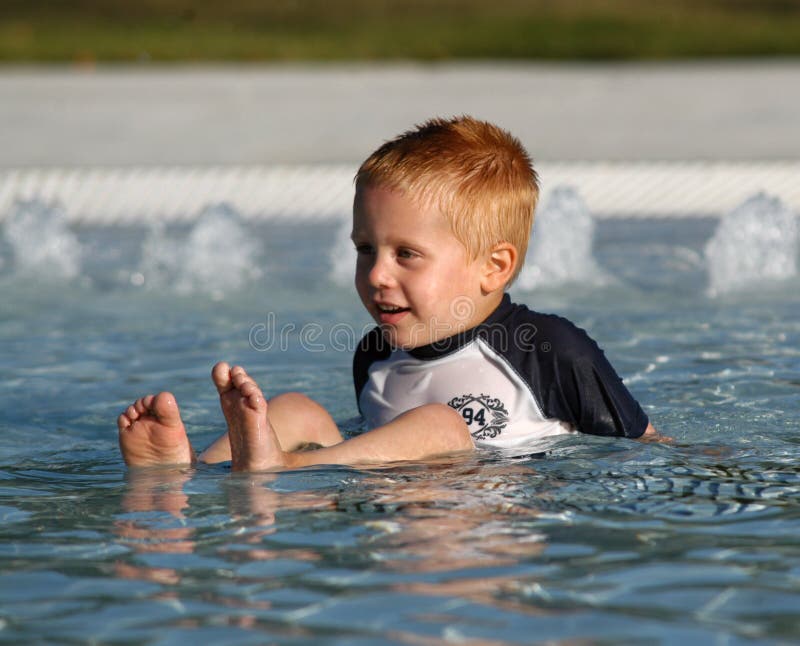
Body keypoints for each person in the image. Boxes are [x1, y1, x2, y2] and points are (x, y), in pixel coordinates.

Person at [118, 116, 659, 472]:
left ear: (493, 267)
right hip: (386, 506)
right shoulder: (376, 354)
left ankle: (277, 466)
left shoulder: (550, 350)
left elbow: (647, 449)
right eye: (365, 249)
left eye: (406, 254)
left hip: (481, 526)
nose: (376, 274)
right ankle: (190, 470)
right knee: (297, 410)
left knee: (440, 424)